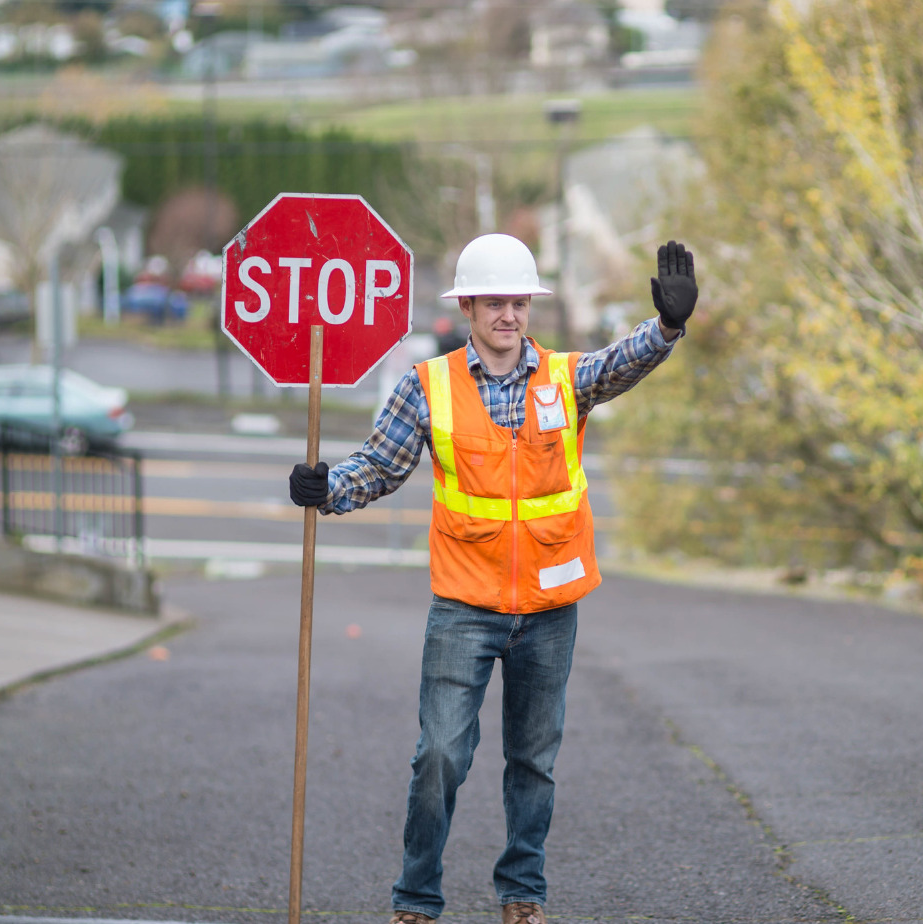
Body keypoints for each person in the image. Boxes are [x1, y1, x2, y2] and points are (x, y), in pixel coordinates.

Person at [287, 233, 699, 924]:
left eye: (518, 301)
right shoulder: (430, 387)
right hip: (465, 605)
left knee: (534, 762)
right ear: (469, 306)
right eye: (495, 302)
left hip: (548, 605)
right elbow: (380, 466)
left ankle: (522, 894)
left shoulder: (566, 379)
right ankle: (417, 898)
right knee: (440, 756)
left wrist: (667, 326)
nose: (508, 314)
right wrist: (327, 486)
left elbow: (620, 363)